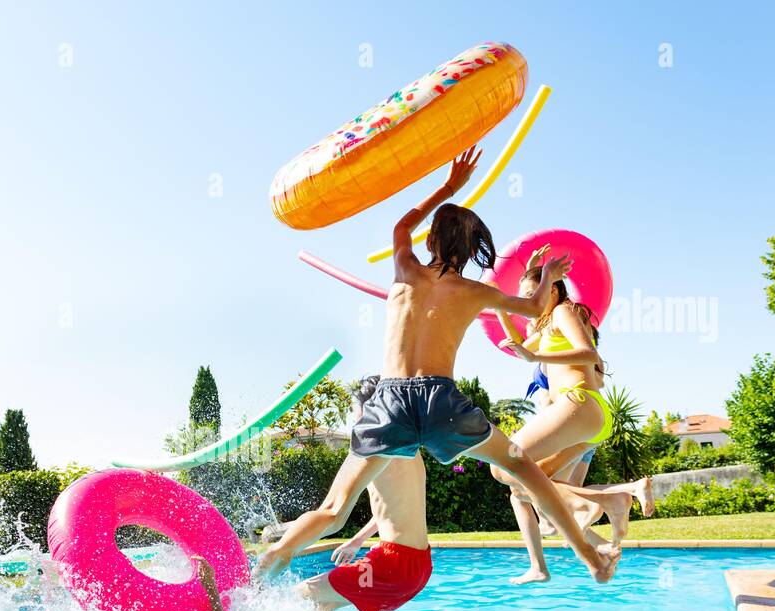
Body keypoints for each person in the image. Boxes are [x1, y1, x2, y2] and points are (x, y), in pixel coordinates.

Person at [255, 146, 619, 584]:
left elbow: (401, 224)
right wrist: (547, 275)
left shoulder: (406, 268)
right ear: (470, 253)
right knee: (520, 465)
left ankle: (273, 557)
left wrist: (449, 187)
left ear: (430, 241)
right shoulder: (473, 291)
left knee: (334, 511)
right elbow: (535, 305)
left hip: (388, 400)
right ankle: (589, 556)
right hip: (439, 400)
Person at [494, 252, 654, 583]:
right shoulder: (545, 324)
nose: (528, 304)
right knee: (526, 487)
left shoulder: (564, 311)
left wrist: (534, 355)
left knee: (502, 465)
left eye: (532, 296)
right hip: (588, 416)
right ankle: (542, 566)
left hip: (576, 403)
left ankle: (607, 499)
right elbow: (521, 342)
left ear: (553, 290)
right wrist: (498, 305)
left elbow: (588, 352)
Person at [297, 376, 432, 611]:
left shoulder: (375, 447)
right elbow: (388, 510)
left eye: (353, 412)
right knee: (324, 606)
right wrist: (358, 540)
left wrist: (285, 545)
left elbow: (333, 513)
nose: (353, 420)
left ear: (370, 410)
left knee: (300, 593)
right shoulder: (410, 447)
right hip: (419, 567)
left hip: (393, 566)